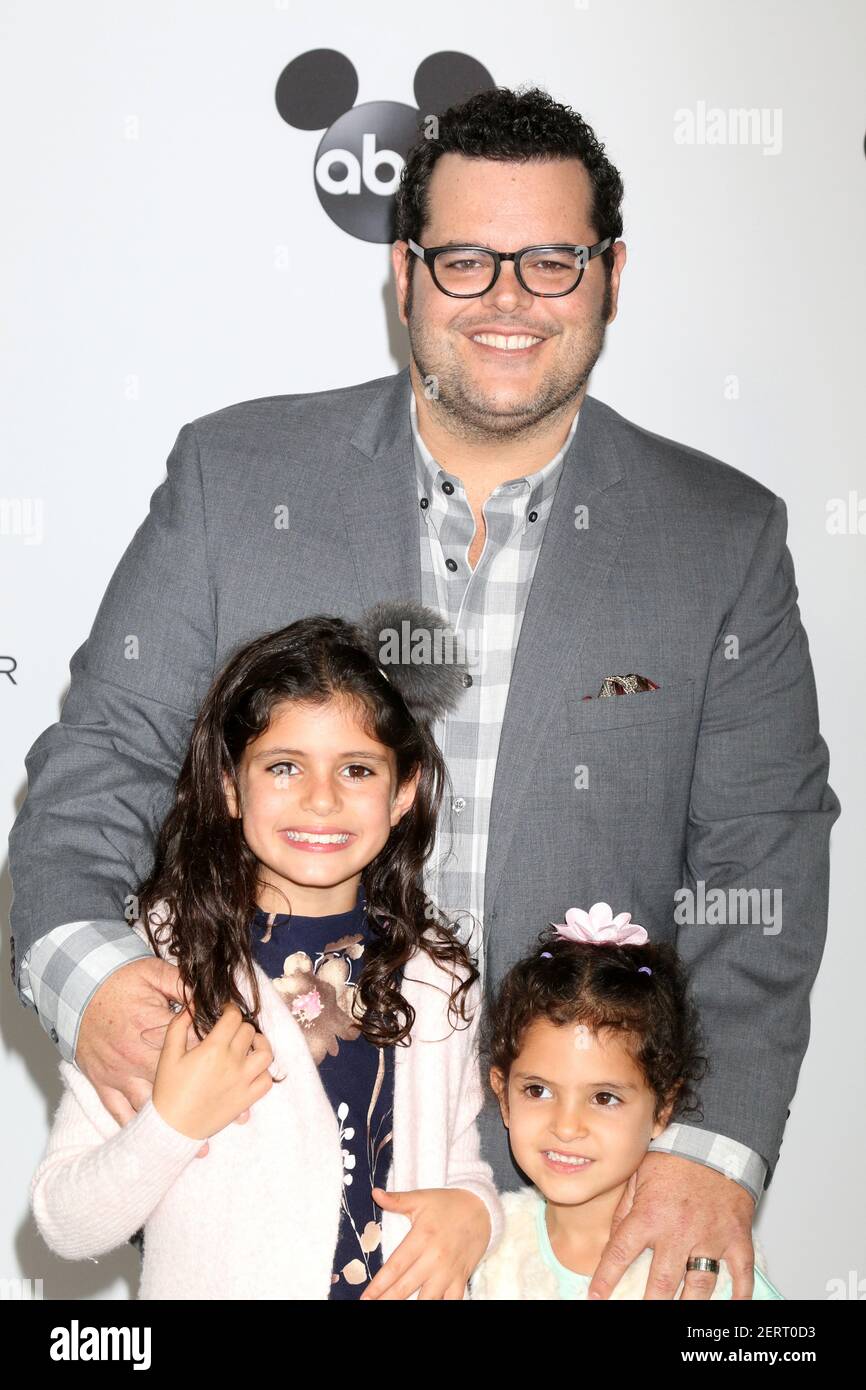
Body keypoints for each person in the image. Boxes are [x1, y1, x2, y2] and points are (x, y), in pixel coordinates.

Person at [9, 84, 839, 1302]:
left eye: (550, 260)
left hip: (579, 1212)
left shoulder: (723, 537)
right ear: (402, 274)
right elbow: (97, 771)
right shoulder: (233, 480)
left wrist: (706, 1148)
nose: (507, 297)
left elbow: (760, 855)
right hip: (256, 1194)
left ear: (610, 275)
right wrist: (104, 995)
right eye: (464, 260)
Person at [29, 601, 503, 1300]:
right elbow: (65, 1222)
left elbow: (459, 1168)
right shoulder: (164, 968)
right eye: (284, 767)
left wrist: (477, 1215)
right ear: (229, 785)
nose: (320, 800)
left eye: (358, 770)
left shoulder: (437, 975)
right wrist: (172, 1123)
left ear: (403, 792)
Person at [470, 903, 784, 1300]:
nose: (566, 1126)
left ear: (663, 1109)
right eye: (538, 1091)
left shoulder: (708, 1275)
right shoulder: (488, 1249)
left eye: (604, 1097)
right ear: (503, 1094)